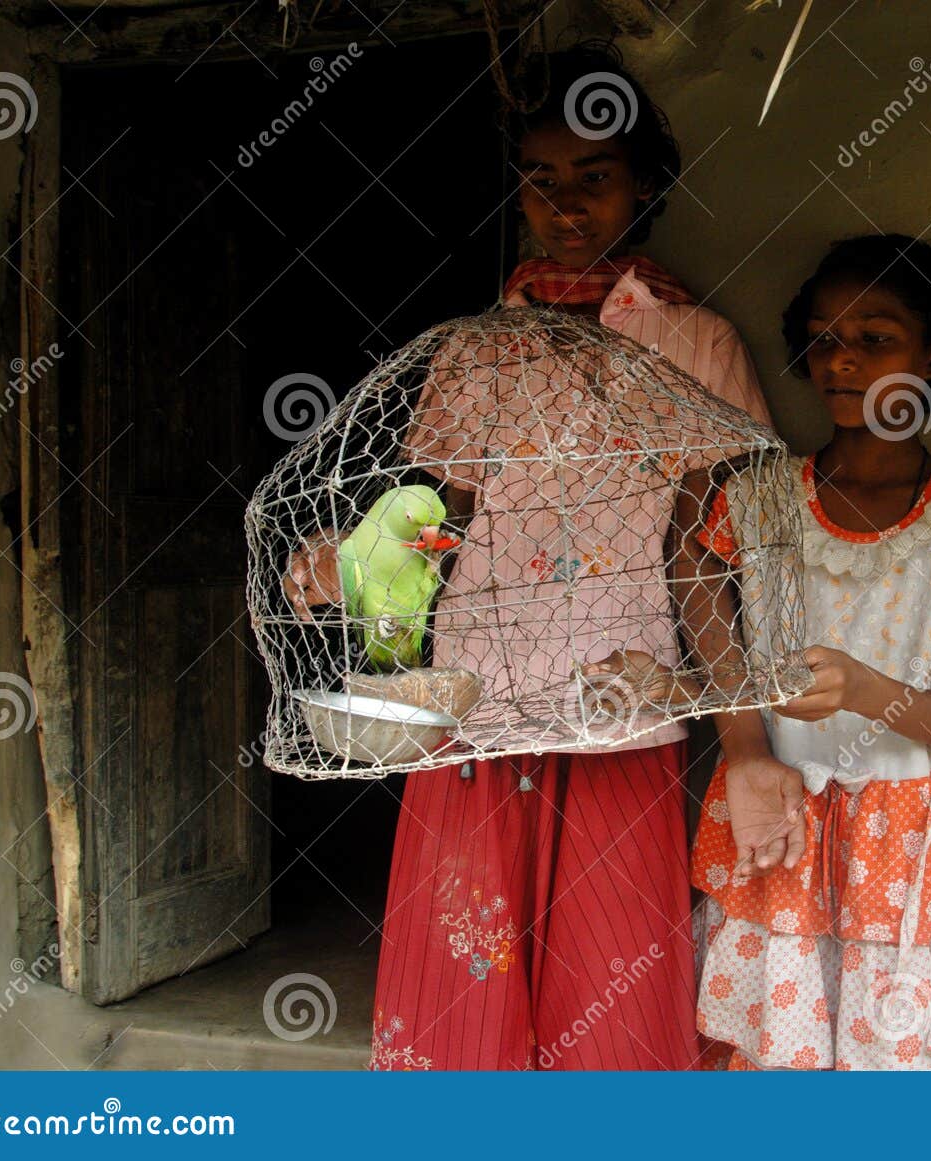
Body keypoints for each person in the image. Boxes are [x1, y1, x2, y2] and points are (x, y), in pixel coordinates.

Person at [286, 41, 769, 1070]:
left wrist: (743, 736)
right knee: (467, 968)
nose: (564, 205)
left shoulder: (694, 344)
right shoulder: (470, 349)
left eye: (593, 178)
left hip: (618, 701)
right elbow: (439, 523)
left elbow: (706, 553)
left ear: (647, 184)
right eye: (541, 182)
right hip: (475, 704)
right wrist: (352, 567)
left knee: (606, 975)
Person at [682, 234, 931, 1070]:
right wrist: (743, 742)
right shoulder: (759, 500)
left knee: (900, 1058)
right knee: (786, 1051)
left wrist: (860, 686)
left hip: (919, 843)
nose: (840, 360)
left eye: (873, 339)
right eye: (823, 340)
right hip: (789, 830)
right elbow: (692, 572)